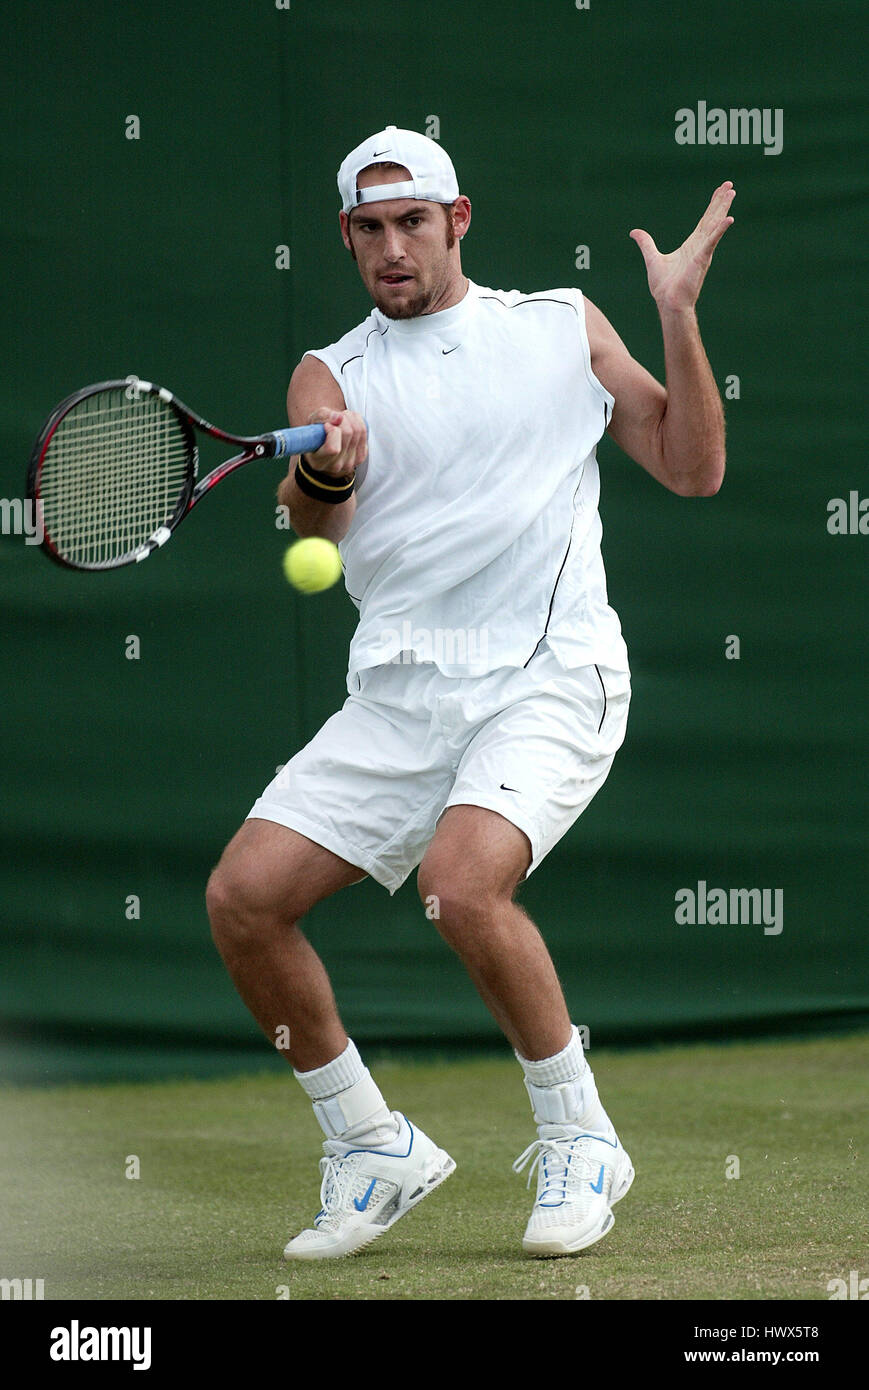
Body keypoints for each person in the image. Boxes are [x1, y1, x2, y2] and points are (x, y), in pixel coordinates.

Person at [206, 126, 733, 1261]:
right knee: (244, 898)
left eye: (411, 222)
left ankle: (579, 1136)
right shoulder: (329, 374)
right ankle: (368, 1143)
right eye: (367, 228)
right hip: (400, 694)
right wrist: (328, 470)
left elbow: (691, 468)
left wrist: (676, 317)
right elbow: (315, 525)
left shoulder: (559, 327)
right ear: (346, 237)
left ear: (458, 220)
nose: (390, 247)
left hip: (551, 672)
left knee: (459, 884)